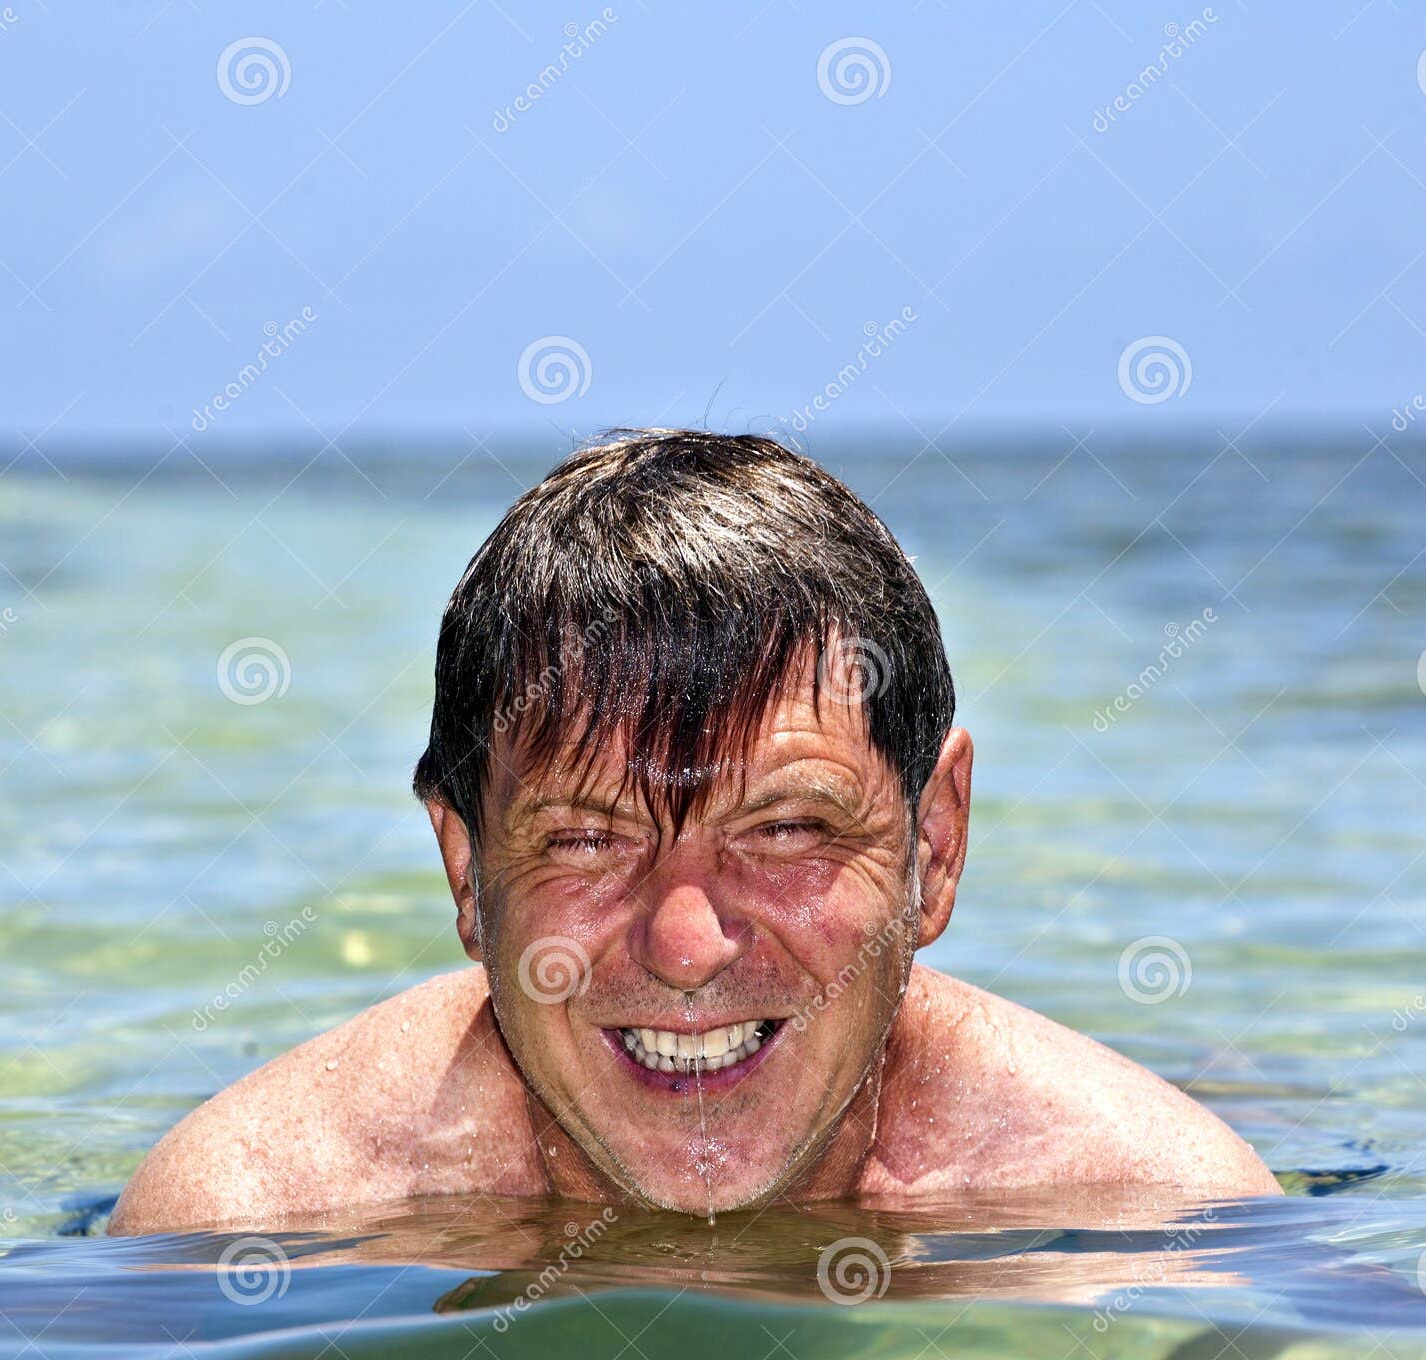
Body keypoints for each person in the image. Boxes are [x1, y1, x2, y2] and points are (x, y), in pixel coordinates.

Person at [109, 429, 1279, 1234]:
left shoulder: (1159, 1221)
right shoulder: (248, 1224)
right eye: (586, 840)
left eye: (787, 829)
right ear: (467, 871)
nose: (683, 947)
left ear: (934, 845)